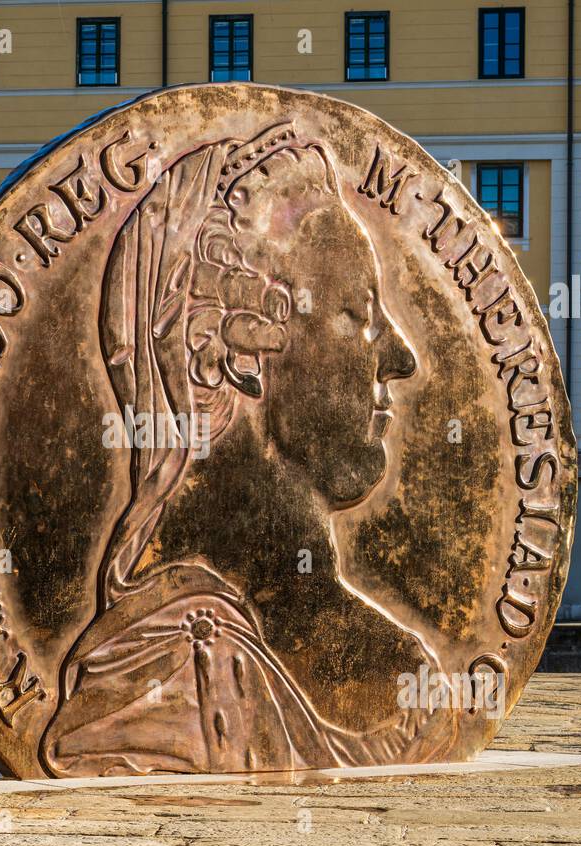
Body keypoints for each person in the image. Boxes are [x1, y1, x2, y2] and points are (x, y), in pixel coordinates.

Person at [40, 124, 458, 777]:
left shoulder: (380, 664)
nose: (400, 355)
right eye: (358, 312)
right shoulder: (166, 687)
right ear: (237, 354)